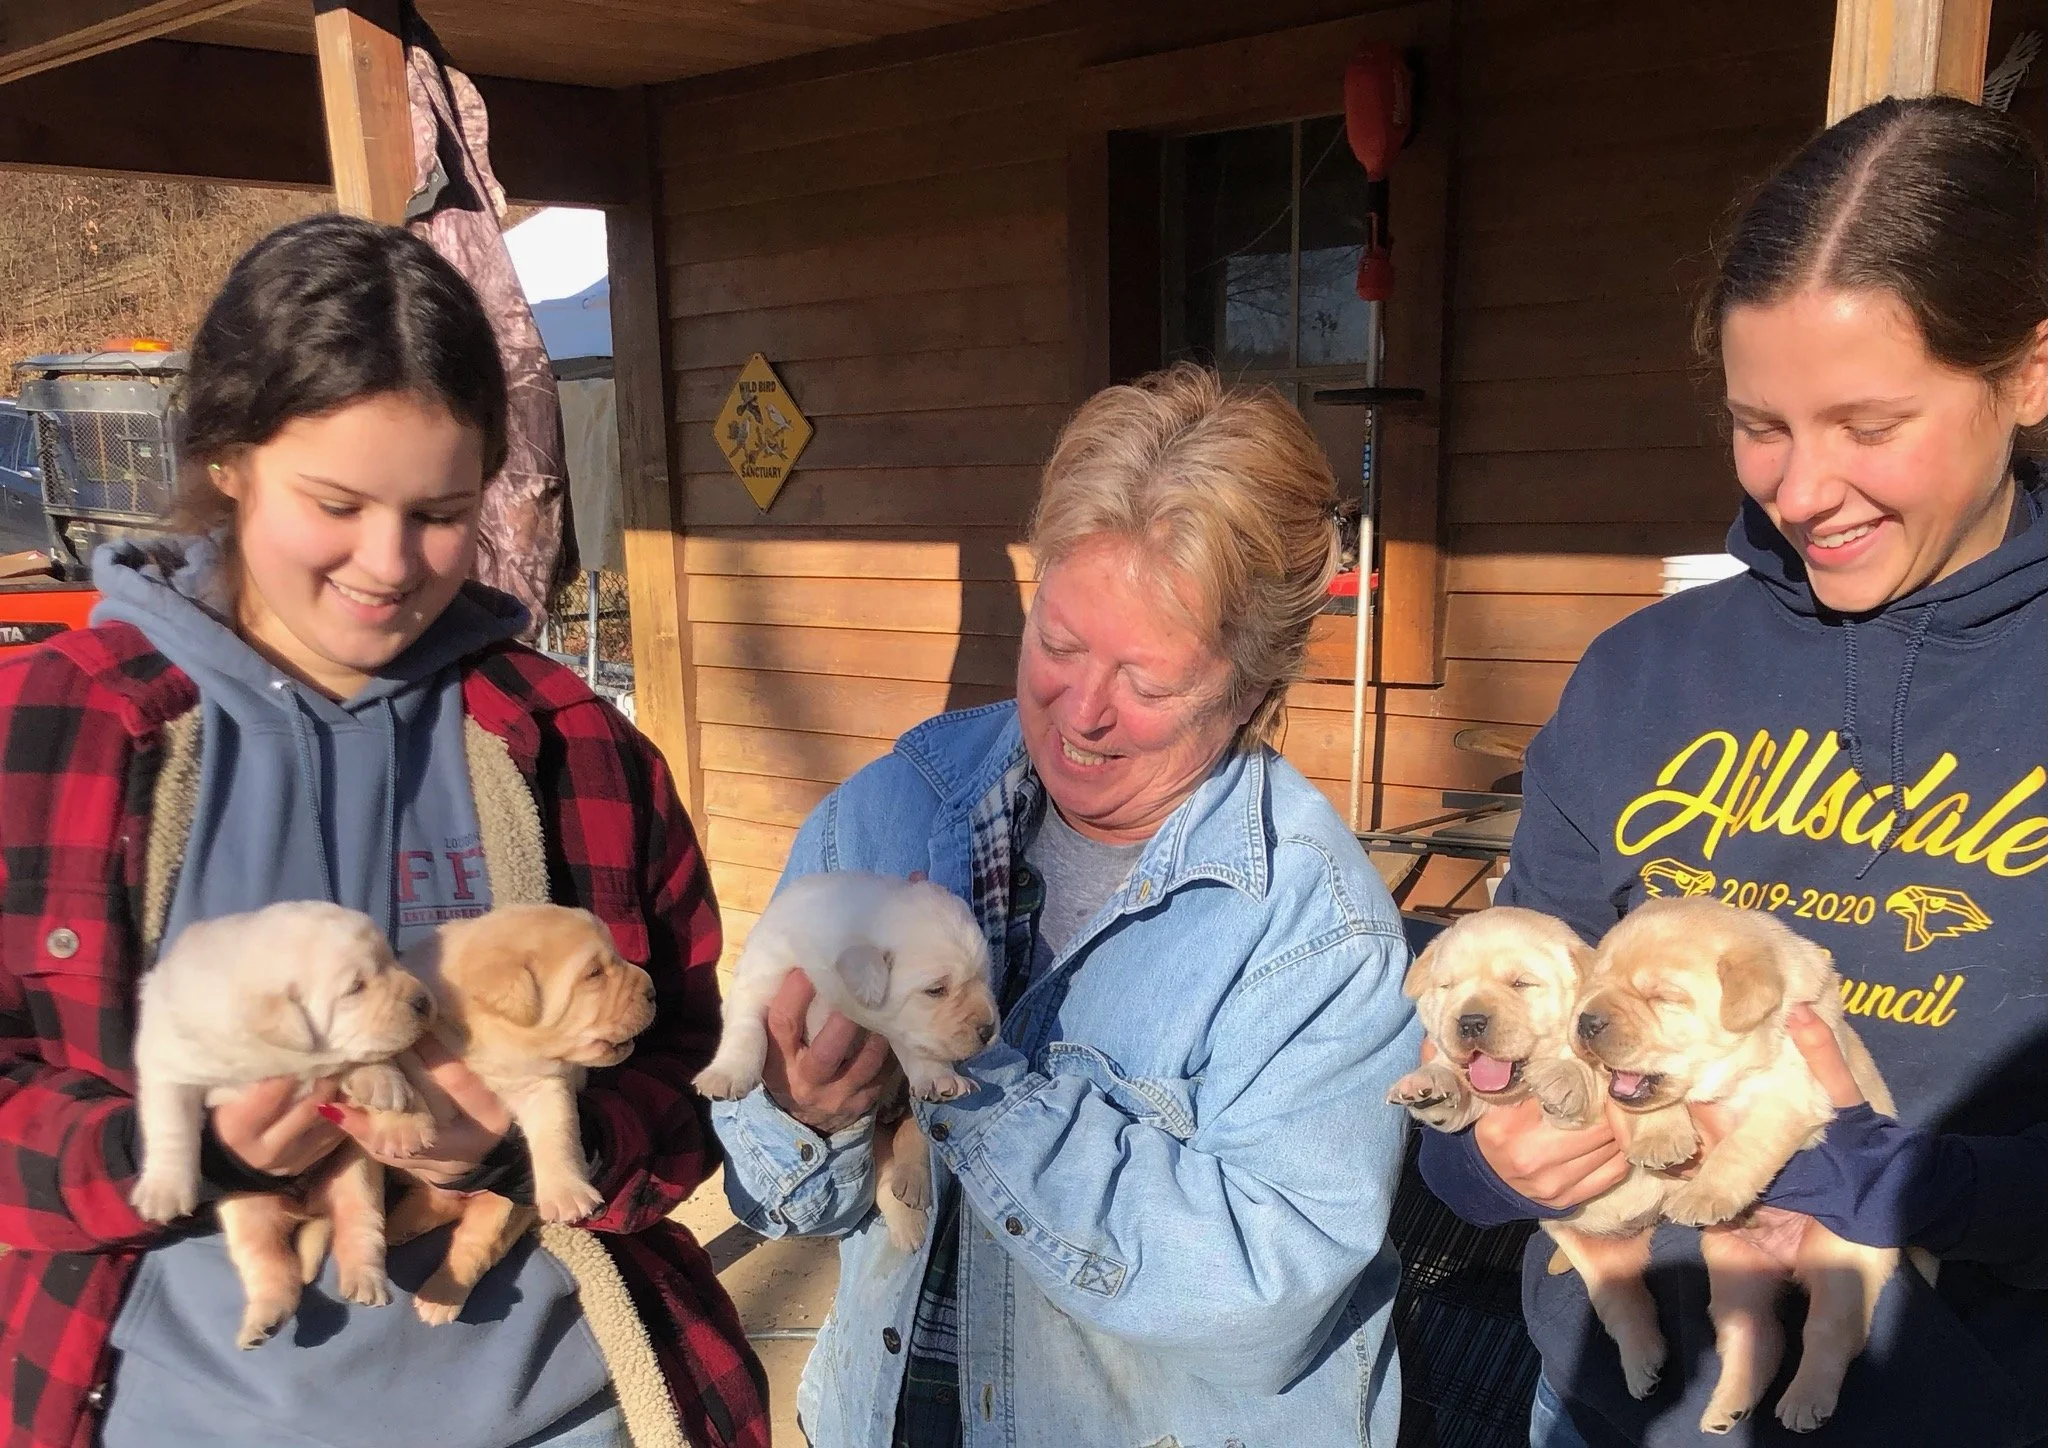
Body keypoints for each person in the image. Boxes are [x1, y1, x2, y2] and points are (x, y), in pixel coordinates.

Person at [0, 214, 768, 1448]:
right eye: (337, 501)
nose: (388, 561)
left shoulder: (566, 738)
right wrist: (171, 1143)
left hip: (557, 1407)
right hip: (177, 1411)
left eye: (440, 510)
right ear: (230, 456)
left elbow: (683, 1072)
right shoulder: (63, 729)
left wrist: (519, 1145)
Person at [1421, 97, 2048, 1448]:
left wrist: (1891, 1180)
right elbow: (1504, 995)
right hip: (1614, 1399)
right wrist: (1485, 1155)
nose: (1802, 487)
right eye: (1757, 422)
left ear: (2031, 372)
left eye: (1869, 424)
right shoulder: (1644, 678)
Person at [713, 363, 1421, 1447]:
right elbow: (788, 1197)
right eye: (1056, 642)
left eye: (1148, 682)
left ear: (1250, 682)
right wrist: (803, 1112)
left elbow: (1260, 1297)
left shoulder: (1313, 929)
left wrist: (971, 1086)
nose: (1084, 712)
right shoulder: (893, 811)